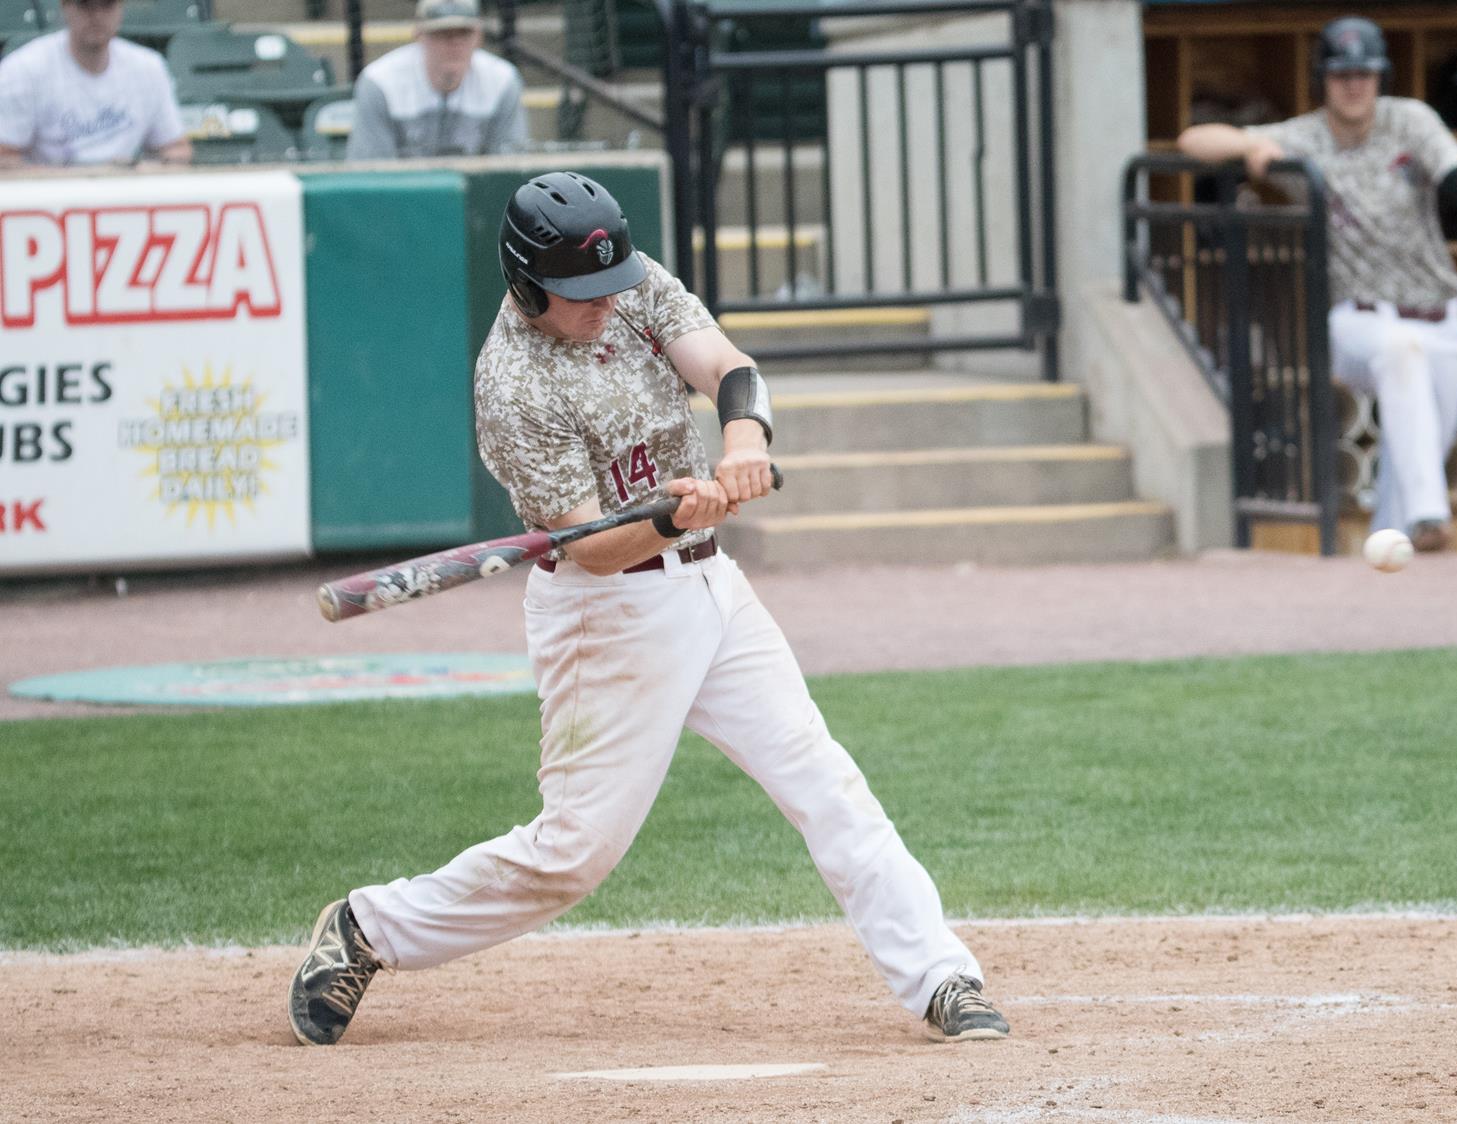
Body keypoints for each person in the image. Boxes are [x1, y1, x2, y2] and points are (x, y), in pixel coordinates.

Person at [287, 172, 1008, 1047]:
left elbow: (727, 368)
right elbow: (589, 547)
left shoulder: (625, 282)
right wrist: (672, 515)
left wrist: (741, 445)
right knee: (574, 854)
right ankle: (366, 929)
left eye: (608, 282)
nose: (602, 302)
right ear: (525, 284)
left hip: (711, 589)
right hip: (607, 619)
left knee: (824, 781)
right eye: (579, 293)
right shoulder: (512, 385)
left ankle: (943, 977)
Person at [1176, 15, 1457, 552]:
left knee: (1415, 448)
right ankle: (1430, 514)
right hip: (1358, 319)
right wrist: (1247, 147)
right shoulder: (1303, 135)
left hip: (1441, 315)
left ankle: (1389, 551)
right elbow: (1192, 140)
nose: (1354, 85)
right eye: (1342, 73)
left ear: (1381, 78)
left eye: (1365, 74)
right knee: (1401, 353)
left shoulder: (1409, 120)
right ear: (1322, 79)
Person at [0, 0, 189, 168]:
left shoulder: (149, 67)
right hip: (52, 199)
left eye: (106, 4)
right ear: (65, 7)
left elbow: (176, 149)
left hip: (127, 196)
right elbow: (4, 158)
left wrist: (140, 170)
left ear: (120, 8)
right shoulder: (22, 69)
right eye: (85, 5)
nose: (97, 15)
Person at [345, 0, 527, 160]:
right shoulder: (381, 82)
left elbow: (509, 168)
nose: (454, 43)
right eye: (442, 33)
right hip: (399, 196)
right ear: (419, 34)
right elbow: (369, 174)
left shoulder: (501, 81)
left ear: (478, 36)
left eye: (463, 33)